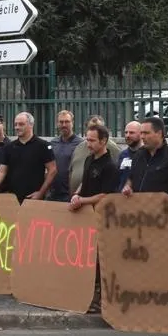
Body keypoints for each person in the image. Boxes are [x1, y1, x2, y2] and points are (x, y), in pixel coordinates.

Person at [70, 124, 119, 314]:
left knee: (98, 261)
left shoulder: (110, 166)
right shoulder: (89, 159)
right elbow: (85, 181)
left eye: (91, 140)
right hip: (85, 217)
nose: (87, 144)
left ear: (103, 141)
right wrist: (77, 193)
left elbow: (105, 195)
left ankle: (98, 298)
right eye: (87, 139)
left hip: (100, 217)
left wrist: (82, 200)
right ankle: (85, 294)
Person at [0, 112, 55, 203]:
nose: (17, 127)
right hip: (12, 199)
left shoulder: (44, 145)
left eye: (21, 124)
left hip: (34, 199)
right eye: (15, 124)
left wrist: (41, 192)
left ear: (31, 125)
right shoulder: (9, 147)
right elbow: (1, 171)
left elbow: (53, 170)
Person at [121, 115, 168, 204]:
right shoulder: (138, 155)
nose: (142, 137)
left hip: (162, 214)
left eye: (146, 133)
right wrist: (127, 187)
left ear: (159, 133)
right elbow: (130, 179)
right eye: (141, 133)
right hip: (138, 212)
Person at [69, 114, 120, 194]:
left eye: (98, 128)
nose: (94, 130)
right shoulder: (80, 148)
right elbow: (72, 170)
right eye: (91, 128)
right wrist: (76, 195)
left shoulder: (113, 149)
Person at [47, 109, 82, 201]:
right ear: (57, 124)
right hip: (53, 194)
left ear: (72, 123)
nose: (64, 125)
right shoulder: (52, 143)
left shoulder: (81, 144)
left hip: (71, 194)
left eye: (67, 122)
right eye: (61, 122)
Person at [115, 120, 143, 191]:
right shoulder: (123, 154)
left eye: (132, 133)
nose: (128, 135)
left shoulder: (146, 154)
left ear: (141, 134)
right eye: (126, 132)